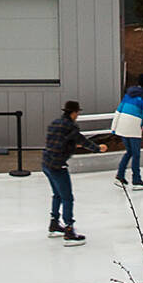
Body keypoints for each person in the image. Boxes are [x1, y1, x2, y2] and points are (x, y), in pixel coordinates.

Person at [42, 100, 103, 243]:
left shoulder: (54, 123)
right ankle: (69, 230)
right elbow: (82, 141)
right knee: (67, 197)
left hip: (46, 163)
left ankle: (54, 223)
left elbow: (59, 141)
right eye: (77, 113)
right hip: (58, 166)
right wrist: (98, 148)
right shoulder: (71, 127)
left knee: (57, 194)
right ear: (74, 113)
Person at [111, 73, 143, 190]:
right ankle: (136, 180)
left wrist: (114, 128)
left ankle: (120, 176)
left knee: (129, 152)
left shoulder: (128, 95)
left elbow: (118, 111)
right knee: (136, 154)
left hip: (122, 127)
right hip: (133, 128)